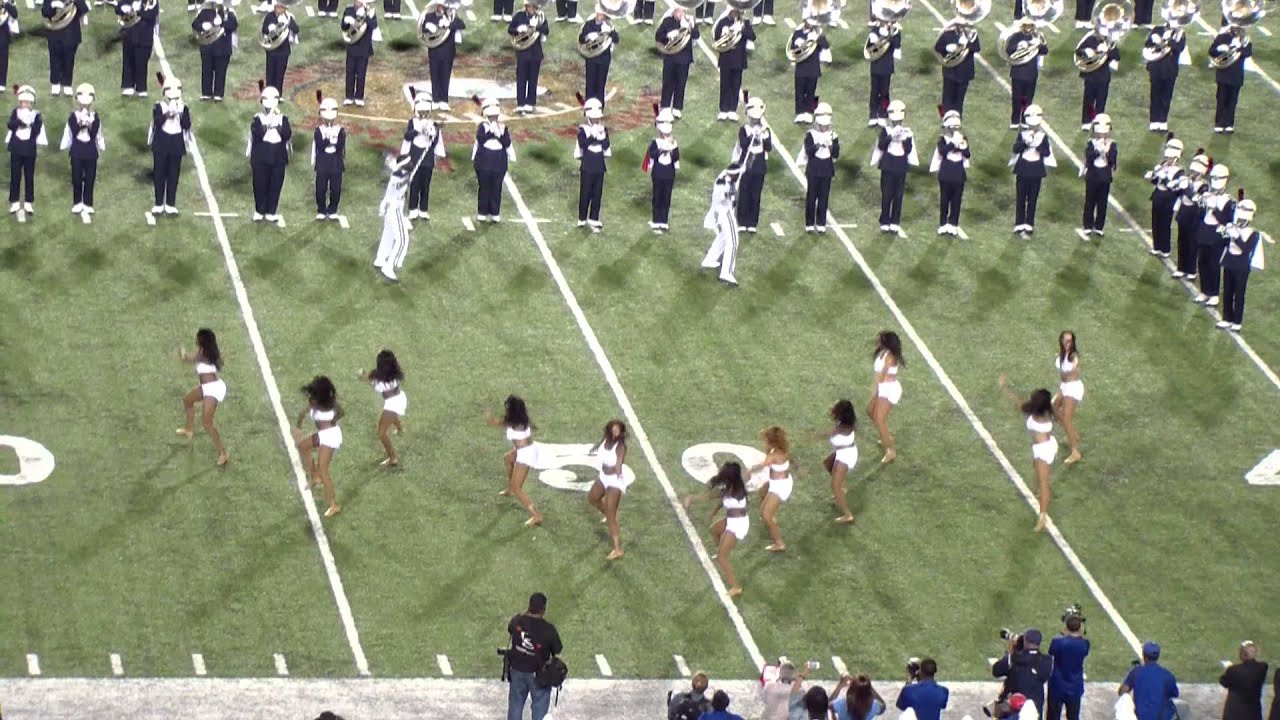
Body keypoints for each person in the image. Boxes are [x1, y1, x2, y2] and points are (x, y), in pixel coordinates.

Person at [682, 461, 748, 597]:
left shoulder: (732, 490)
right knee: (714, 531)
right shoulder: (735, 486)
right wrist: (714, 511)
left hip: (737, 524)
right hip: (732, 520)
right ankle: (723, 550)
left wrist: (692, 499)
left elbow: (712, 496)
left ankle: (736, 587)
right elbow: (721, 500)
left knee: (722, 557)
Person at [998, 375, 1055, 531]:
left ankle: (1043, 516)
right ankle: (1037, 491)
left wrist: (1004, 387)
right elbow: (1017, 402)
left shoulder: (1040, 416)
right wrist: (1004, 388)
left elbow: (1019, 403)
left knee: (1044, 484)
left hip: (1045, 450)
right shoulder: (1040, 412)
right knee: (1035, 467)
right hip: (1041, 447)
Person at [505, 592, 563, 720]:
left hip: (517, 670)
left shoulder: (517, 621)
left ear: (529, 606)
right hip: (538, 675)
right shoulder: (549, 629)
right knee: (539, 708)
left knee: (515, 705)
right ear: (543, 609)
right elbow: (557, 649)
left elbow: (510, 628)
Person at [487, 395, 543, 526]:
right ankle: (511, 489)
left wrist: (488, 414)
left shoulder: (512, 422)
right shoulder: (522, 419)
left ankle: (537, 515)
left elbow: (493, 422)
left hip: (526, 454)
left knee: (517, 488)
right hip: (524, 449)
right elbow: (533, 426)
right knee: (508, 459)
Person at [177, 328, 229, 466]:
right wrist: (185, 357)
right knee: (187, 400)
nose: (196, 337)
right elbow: (191, 359)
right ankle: (189, 430)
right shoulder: (205, 352)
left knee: (207, 423)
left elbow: (190, 359)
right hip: (206, 387)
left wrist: (183, 355)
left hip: (213, 390)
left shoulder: (203, 354)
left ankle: (223, 453)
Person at [295, 376, 343, 518]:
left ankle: (334, 505)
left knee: (324, 472)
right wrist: (298, 427)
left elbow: (341, 413)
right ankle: (315, 477)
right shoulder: (313, 401)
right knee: (303, 447)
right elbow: (302, 413)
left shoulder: (332, 404)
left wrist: (331, 423)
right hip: (323, 434)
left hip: (331, 437)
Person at [374, 150, 426, 282]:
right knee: (402, 239)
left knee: (388, 234)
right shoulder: (399, 176)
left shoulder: (400, 170)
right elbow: (402, 179)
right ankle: (389, 266)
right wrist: (408, 180)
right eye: (409, 164)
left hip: (389, 206)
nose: (412, 164)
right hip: (394, 208)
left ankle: (380, 259)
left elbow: (390, 160)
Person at [870, 100, 917, 235]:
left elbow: (908, 150)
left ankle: (895, 221)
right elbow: (881, 146)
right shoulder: (886, 131)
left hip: (901, 165)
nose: (897, 123)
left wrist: (904, 138)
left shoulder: (907, 132)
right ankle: (884, 220)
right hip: (888, 165)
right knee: (887, 194)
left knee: (898, 195)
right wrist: (891, 136)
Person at [248, 84, 292, 224]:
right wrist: (267, 124)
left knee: (275, 184)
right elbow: (257, 134)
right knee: (260, 183)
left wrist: (278, 126)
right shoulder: (258, 118)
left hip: (278, 155)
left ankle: (271, 210)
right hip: (261, 155)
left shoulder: (283, 118)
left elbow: (287, 134)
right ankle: (259, 210)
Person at [148, 76, 191, 216]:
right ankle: (159, 203)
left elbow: (187, 125)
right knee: (159, 174)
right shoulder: (159, 106)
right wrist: (168, 114)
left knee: (173, 175)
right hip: (161, 143)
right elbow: (157, 122)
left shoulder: (184, 108)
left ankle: (170, 204)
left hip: (176, 143)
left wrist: (180, 113)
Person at [1218, 196, 1262, 333]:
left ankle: (1237, 321)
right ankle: (1227, 318)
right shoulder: (1232, 226)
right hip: (1230, 261)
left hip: (1241, 266)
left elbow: (1245, 249)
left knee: (1239, 293)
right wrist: (1224, 233)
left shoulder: (1253, 234)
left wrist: (1236, 236)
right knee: (1227, 291)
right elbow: (1225, 244)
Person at [1010, 103, 1055, 238]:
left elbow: (1046, 152)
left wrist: (1036, 145)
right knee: (1020, 198)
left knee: (1033, 199)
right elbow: (1015, 149)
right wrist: (1025, 143)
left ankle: (1029, 223)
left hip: (1036, 170)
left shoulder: (1043, 137)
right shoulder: (1022, 135)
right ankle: (1019, 223)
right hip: (1023, 169)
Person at [587, 419, 629, 560]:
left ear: (621, 432)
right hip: (603, 477)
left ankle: (617, 549)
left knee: (611, 517)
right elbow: (601, 445)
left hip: (614, 481)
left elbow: (619, 460)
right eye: (613, 429)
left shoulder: (621, 446)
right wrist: (594, 448)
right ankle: (608, 513)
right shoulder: (606, 439)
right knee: (592, 498)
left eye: (618, 430)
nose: (615, 432)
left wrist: (618, 468)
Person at [59, 83, 103, 216]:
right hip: (77, 151)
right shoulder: (73, 116)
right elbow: (74, 131)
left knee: (90, 179)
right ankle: (77, 202)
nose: (84, 106)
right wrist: (80, 123)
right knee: (76, 178)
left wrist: (89, 124)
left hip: (90, 152)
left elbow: (94, 135)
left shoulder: (95, 117)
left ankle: (88, 203)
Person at [745, 426, 791, 553]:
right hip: (780, 482)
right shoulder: (783, 450)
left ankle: (779, 543)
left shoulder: (774, 455)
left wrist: (749, 470)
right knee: (763, 508)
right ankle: (771, 522)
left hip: (779, 486)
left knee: (766, 516)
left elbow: (761, 466)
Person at [1194, 163, 1234, 307]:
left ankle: (1214, 294)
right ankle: (1204, 291)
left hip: (1216, 234)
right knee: (1202, 262)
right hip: (1204, 230)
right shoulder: (1207, 194)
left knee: (1213, 265)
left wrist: (1214, 208)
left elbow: (1227, 221)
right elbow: (1200, 215)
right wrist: (1201, 203)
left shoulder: (1228, 201)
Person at [401, 96, 445, 221]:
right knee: (414, 183)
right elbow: (407, 136)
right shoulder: (412, 122)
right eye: (421, 112)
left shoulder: (434, 124)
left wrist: (432, 135)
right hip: (415, 154)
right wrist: (418, 130)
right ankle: (413, 209)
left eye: (425, 112)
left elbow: (436, 142)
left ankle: (423, 209)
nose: (423, 114)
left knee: (425, 185)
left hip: (427, 156)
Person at [798, 102, 838, 234]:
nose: (824, 128)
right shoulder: (811, 134)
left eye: (826, 125)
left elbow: (836, 154)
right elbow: (808, 152)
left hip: (826, 168)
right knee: (811, 197)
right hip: (814, 168)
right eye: (822, 125)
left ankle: (821, 223)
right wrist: (817, 145)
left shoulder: (833, 135)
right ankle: (809, 223)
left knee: (824, 198)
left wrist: (831, 145)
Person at [700, 163, 743, 287]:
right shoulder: (722, 183)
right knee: (733, 242)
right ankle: (726, 272)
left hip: (723, 212)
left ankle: (709, 259)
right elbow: (720, 197)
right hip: (725, 213)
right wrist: (731, 194)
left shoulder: (727, 177)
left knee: (723, 237)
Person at [994, 629, 1054, 716]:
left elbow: (996, 671)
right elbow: (1044, 676)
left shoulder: (1012, 658)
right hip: (1034, 706)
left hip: (1012, 704)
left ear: (1025, 641)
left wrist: (1011, 651)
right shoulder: (1047, 661)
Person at [732, 96, 770, 234]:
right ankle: (742, 222)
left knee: (755, 195)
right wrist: (751, 136)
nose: (755, 120)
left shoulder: (765, 129)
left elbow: (768, 147)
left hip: (759, 166)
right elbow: (743, 144)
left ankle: (752, 222)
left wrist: (763, 136)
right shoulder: (745, 129)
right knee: (744, 193)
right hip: (746, 165)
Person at [472, 98, 514, 223]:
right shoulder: (482, 126)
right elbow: (481, 139)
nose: (493, 118)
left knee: (496, 187)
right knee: (484, 187)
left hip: (498, 161)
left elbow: (507, 143)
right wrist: (491, 132)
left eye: (495, 115)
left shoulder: (503, 128)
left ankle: (495, 212)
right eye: (491, 116)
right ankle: (482, 212)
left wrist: (499, 135)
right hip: (484, 160)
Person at [362, 350, 405, 467]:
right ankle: (400, 429)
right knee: (392, 415)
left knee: (381, 433)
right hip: (399, 398)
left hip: (392, 404)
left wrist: (362, 375)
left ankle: (393, 457)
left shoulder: (376, 376)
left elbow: (365, 378)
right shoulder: (396, 372)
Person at [6, 85, 45, 216]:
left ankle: (28, 203)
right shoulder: (15, 112)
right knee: (15, 176)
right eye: (23, 102)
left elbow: (37, 130)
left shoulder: (36, 115)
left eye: (28, 102)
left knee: (29, 177)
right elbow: (10, 125)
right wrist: (19, 121)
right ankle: (14, 201)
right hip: (16, 149)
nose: (25, 104)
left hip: (29, 150)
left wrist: (29, 123)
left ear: (31, 102)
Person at [866, 331, 903, 463]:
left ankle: (890, 450)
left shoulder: (890, 357)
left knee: (880, 419)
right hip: (883, 388)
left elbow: (881, 377)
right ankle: (885, 436)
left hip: (889, 390)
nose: (877, 340)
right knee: (870, 411)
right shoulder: (883, 353)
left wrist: (875, 391)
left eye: (880, 339)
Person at [930, 109, 969, 237]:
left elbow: (967, 155)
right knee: (944, 199)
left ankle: (953, 223)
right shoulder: (943, 139)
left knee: (956, 200)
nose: (955, 130)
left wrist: (962, 146)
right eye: (953, 127)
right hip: (946, 173)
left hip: (958, 173)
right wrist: (953, 143)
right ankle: (943, 223)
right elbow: (943, 151)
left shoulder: (963, 138)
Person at [1145, 135, 1183, 258]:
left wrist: (1165, 177)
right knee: (1155, 222)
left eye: (1171, 158)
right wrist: (1153, 176)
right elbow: (1156, 182)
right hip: (1158, 196)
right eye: (1167, 157)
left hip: (1168, 199)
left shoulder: (1179, 172)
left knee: (1165, 223)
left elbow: (1175, 188)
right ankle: (1156, 246)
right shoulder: (1161, 166)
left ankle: (1165, 248)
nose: (1168, 160)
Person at [1119, 642, 1180, 720]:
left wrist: (1133, 676)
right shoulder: (1167, 675)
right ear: (1158, 656)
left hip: (1141, 717)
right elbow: (1175, 694)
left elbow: (1121, 692)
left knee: (1123, 704)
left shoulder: (1137, 672)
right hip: (1162, 718)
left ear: (1144, 656)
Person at [1171, 150, 1207, 279]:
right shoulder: (1186, 180)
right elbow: (1178, 194)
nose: (1192, 174)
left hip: (1194, 216)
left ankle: (1191, 270)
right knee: (1182, 240)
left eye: (1196, 172)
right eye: (1192, 171)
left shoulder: (1204, 187)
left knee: (1192, 243)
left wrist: (1187, 187)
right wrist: (1177, 186)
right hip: (1184, 212)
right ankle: (1181, 267)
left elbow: (1196, 200)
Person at [575, 97, 610, 231]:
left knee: (597, 193)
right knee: (585, 192)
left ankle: (594, 217)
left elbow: (606, 145)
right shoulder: (583, 129)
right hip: (588, 165)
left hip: (599, 165)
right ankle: (582, 218)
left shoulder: (603, 129)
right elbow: (583, 144)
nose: (596, 119)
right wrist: (592, 137)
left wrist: (600, 137)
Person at [1143, 20, 1185, 132]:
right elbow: (1147, 45)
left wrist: (1167, 41)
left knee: (1166, 97)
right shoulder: (1157, 29)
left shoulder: (1180, 33)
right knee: (1155, 95)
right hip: (1156, 69)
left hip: (1170, 70)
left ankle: (1163, 120)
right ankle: (1153, 120)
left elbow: (1179, 48)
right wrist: (1154, 40)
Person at [656, 6, 698, 118]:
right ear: (674, 11)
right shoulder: (667, 21)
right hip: (670, 57)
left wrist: (690, 27)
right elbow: (658, 37)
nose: (681, 13)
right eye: (679, 11)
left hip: (684, 58)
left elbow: (696, 36)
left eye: (683, 11)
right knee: (667, 82)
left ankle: (677, 107)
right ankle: (665, 106)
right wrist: (668, 36)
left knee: (681, 83)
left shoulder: (689, 21)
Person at [41, 0, 89, 98]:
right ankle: (55, 84)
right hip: (54, 33)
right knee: (54, 59)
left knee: (69, 60)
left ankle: (67, 84)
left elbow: (84, 9)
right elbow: (45, 12)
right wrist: (52, 5)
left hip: (71, 34)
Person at [1079, 113, 1116, 238]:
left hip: (1104, 177)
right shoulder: (1091, 143)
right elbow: (1088, 157)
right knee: (1090, 201)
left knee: (1102, 203)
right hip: (1092, 176)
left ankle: (1099, 226)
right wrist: (1097, 151)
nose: (1102, 135)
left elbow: (1112, 161)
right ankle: (1088, 225)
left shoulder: (1112, 144)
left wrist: (1105, 152)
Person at [788, 14, 831, 124]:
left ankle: (809, 112)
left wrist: (818, 37)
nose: (811, 23)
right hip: (801, 68)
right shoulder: (797, 33)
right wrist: (799, 43)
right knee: (799, 92)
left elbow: (826, 46)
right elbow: (791, 50)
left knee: (811, 91)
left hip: (813, 68)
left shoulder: (817, 33)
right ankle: (799, 112)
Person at [1005, 19, 1048, 128]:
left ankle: (1025, 119)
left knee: (1028, 98)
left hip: (1031, 73)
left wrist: (1039, 44)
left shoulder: (1036, 36)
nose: (1028, 28)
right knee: (1016, 97)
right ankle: (1014, 120)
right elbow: (1008, 50)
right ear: (1023, 26)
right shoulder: (1016, 37)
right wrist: (1018, 46)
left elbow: (1045, 51)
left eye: (1030, 25)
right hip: (1018, 73)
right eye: (1026, 25)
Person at [713, 8, 754, 121]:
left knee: (735, 86)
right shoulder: (723, 22)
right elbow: (716, 38)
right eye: (734, 11)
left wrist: (742, 29)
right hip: (726, 58)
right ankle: (723, 110)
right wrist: (726, 33)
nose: (736, 13)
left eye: (738, 11)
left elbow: (752, 36)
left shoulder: (745, 23)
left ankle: (732, 110)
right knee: (724, 85)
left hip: (738, 60)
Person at [1208, 24, 1250, 134]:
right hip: (1223, 74)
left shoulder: (1244, 39)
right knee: (1221, 99)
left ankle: (1229, 124)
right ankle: (1219, 123)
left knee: (1232, 101)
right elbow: (1211, 51)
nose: (1237, 29)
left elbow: (1248, 52)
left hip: (1236, 75)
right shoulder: (1222, 37)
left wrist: (1238, 48)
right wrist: (1221, 49)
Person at [192, 0, 238, 102]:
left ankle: (218, 94)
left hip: (223, 49)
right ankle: (206, 93)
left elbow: (234, 25)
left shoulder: (228, 13)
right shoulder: (205, 12)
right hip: (207, 48)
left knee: (220, 73)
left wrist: (222, 24)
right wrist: (203, 26)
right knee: (206, 71)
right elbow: (195, 24)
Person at [1047, 615, 1090, 720]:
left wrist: (1063, 634)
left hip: (1057, 685)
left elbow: (1051, 651)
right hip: (1075, 686)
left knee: (1053, 716)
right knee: (1073, 716)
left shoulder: (1058, 642)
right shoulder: (1085, 644)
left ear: (1066, 627)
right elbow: (1082, 641)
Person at [1074, 27, 1118, 130]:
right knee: (1088, 100)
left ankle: (1098, 121)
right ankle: (1087, 121)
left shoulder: (1109, 42)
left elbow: (1117, 56)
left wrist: (1108, 51)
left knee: (1101, 101)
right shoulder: (1090, 39)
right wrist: (1088, 51)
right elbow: (1078, 52)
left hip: (1103, 77)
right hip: (1090, 76)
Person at [509, 1, 548, 114]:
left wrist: (537, 27)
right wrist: (519, 30)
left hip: (536, 53)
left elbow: (546, 31)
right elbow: (510, 30)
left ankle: (530, 103)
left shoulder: (540, 17)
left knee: (532, 79)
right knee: (521, 79)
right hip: (523, 52)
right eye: (528, 6)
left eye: (532, 6)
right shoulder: (519, 16)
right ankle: (520, 104)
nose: (530, 8)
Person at [424, 2, 464, 112]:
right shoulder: (429, 17)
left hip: (448, 51)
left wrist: (448, 25)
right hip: (434, 50)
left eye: (442, 6)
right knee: (435, 75)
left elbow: (461, 25)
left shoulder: (451, 17)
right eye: (439, 5)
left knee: (445, 75)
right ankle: (435, 100)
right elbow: (423, 30)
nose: (440, 8)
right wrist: (433, 26)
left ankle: (444, 100)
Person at [823, 399, 858, 524]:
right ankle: (841, 489)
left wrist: (809, 438)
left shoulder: (842, 428)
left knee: (835, 486)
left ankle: (848, 514)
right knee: (827, 463)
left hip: (846, 456)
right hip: (845, 451)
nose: (833, 406)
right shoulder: (846, 423)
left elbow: (825, 435)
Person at [936, 16, 980, 115]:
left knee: (959, 100)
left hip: (964, 72)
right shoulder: (947, 34)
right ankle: (945, 119)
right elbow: (937, 47)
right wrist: (946, 48)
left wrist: (967, 44)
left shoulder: (972, 35)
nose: (964, 27)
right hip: (950, 71)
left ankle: (957, 120)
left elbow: (977, 48)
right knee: (947, 99)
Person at [1052, 330, 1084, 465]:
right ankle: (1073, 434)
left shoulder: (1074, 357)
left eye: (1070, 341)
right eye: (1065, 340)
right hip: (1065, 387)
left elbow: (1074, 374)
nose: (1068, 343)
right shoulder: (1061, 357)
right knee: (1053, 406)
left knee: (1066, 418)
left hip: (1073, 388)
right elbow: (1064, 377)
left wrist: (1068, 374)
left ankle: (1075, 452)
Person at [645, 108, 679, 232]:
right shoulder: (656, 142)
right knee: (657, 196)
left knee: (666, 197)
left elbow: (676, 158)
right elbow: (652, 154)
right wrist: (661, 149)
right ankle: (656, 220)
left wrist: (671, 150)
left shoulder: (673, 142)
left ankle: (663, 221)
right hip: (658, 173)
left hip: (669, 174)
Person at [312, 94, 345, 220]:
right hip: (323, 162)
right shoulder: (318, 130)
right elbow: (320, 145)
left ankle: (333, 210)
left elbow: (339, 146)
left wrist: (330, 141)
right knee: (320, 188)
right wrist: (329, 141)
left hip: (336, 163)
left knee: (336, 188)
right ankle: (321, 209)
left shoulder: (340, 130)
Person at [117, 0, 158, 98]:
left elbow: (152, 14)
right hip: (129, 36)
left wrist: (137, 11)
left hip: (144, 37)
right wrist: (124, 9)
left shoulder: (151, 1)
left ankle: (141, 88)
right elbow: (118, 8)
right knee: (128, 61)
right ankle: (128, 85)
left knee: (141, 63)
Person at [864, 20, 901, 127]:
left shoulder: (895, 31)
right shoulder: (875, 30)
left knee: (885, 92)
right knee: (874, 91)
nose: (887, 23)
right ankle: (873, 115)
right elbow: (868, 49)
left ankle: (883, 114)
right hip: (875, 66)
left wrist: (892, 35)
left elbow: (897, 45)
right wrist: (875, 39)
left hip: (887, 66)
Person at [341, 0, 378, 107]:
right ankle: (349, 96)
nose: (358, 3)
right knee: (350, 72)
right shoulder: (349, 10)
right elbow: (343, 27)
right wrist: (346, 21)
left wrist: (366, 16)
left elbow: (373, 26)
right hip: (352, 47)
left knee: (361, 74)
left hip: (364, 48)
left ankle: (359, 97)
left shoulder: (370, 11)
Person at [1221, 642, 1269, 720]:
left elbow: (1224, 682)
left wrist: (1229, 668)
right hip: (1253, 713)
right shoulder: (1263, 667)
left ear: (1242, 655)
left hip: (1234, 714)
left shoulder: (1233, 670)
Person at [579, 6, 616, 105]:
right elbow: (581, 39)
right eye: (599, 14)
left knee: (600, 85)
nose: (601, 16)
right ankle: (588, 108)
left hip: (604, 59)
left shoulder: (609, 25)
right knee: (590, 84)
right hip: (591, 58)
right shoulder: (589, 24)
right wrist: (588, 36)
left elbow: (616, 39)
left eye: (603, 14)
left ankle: (599, 109)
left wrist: (610, 32)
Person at [262, 0, 298, 93]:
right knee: (270, 73)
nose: (279, 9)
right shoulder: (270, 16)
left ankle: (278, 94)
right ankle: (269, 93)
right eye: (278, 7)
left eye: (282, 8)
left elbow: (296, 29)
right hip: (272, 50)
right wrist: (272, 28)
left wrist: (288, 24)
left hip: (283, 51)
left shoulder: (289, 17)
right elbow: (264, 30)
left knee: (280, 74)